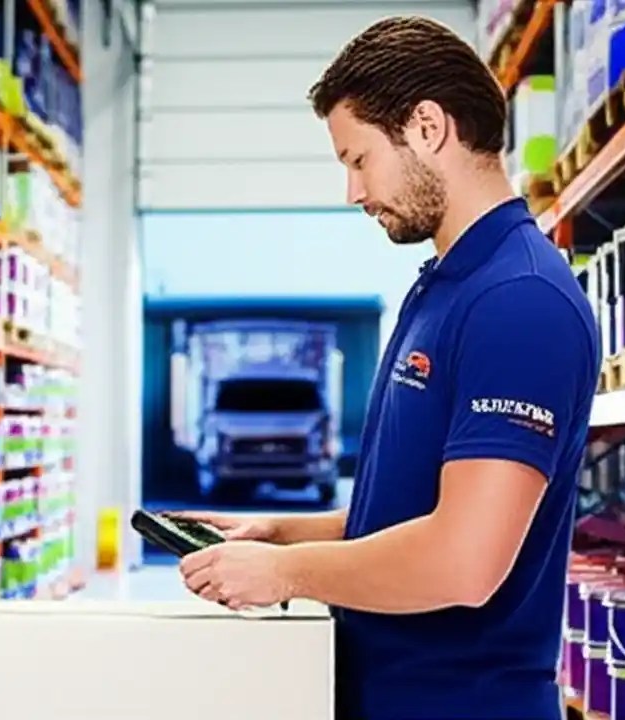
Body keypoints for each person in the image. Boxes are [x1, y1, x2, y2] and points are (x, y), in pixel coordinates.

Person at [175, 15, 601, 720]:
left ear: (428, 127)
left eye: (358, 158)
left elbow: (463, 559)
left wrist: (284, 573)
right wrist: (278, 533)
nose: (352, 191)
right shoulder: (447, 286)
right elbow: (410, 512)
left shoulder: (519, 301)